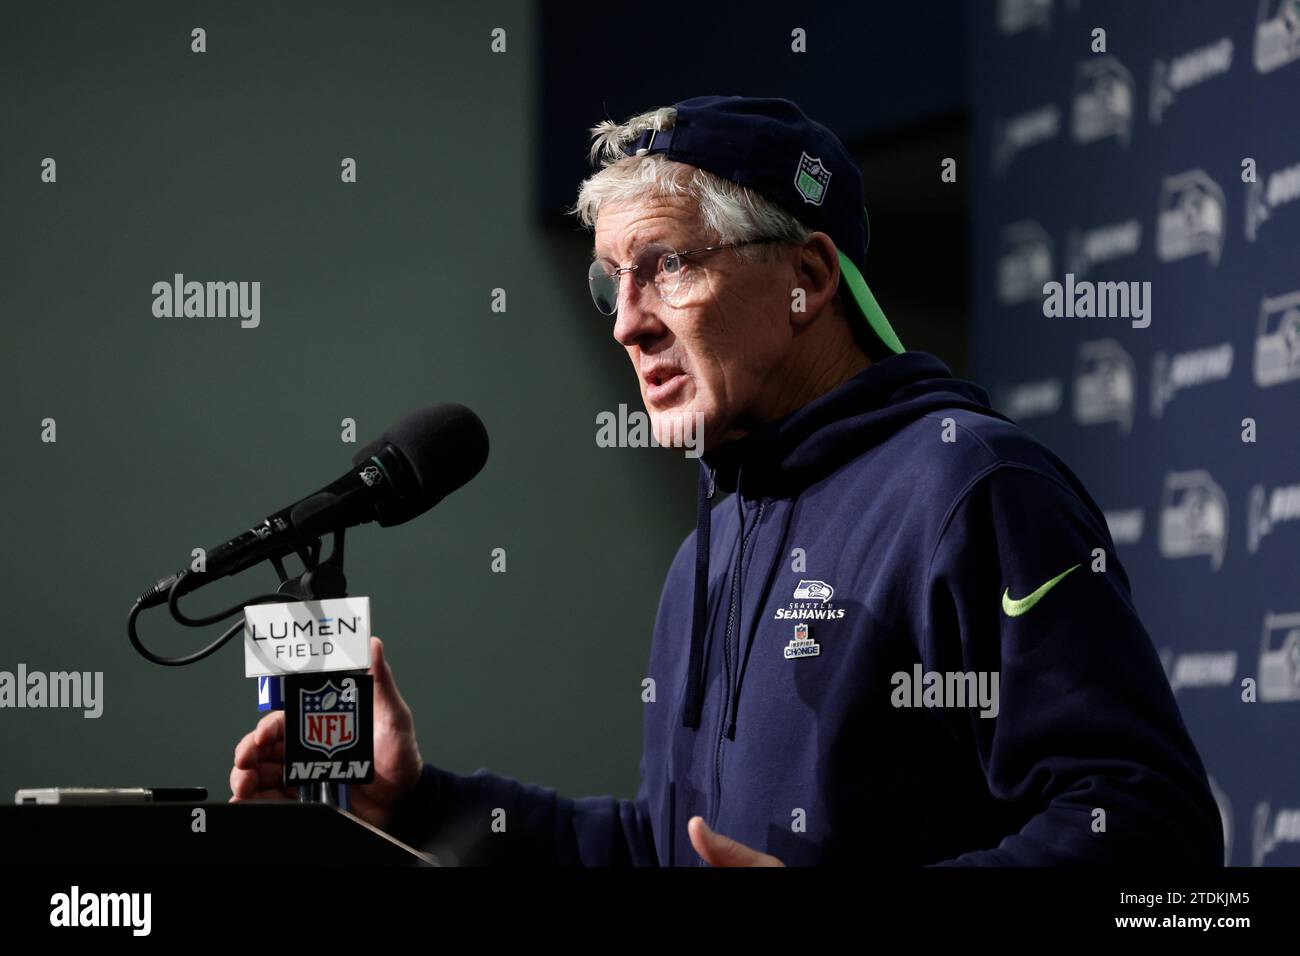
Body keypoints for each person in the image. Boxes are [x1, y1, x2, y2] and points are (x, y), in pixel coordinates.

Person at [231, 96, 1222, 866]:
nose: (625, 321)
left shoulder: (972, 488)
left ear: (810, 280)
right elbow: (664, 847)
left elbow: (1147, 823)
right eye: (610, 282)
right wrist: (414, 801)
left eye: (664, 267)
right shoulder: (711, 544)